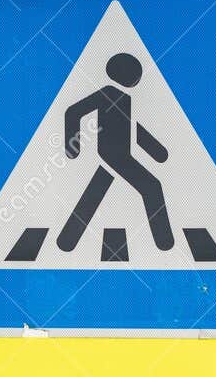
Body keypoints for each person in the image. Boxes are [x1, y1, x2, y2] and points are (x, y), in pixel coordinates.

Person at [59, 52, 173, 252]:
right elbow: (73, 112)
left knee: (96, 191)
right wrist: (72, 148)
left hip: (118, 155)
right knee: (152, 187)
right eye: (136, 73)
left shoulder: (123, 98)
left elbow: (132, 128)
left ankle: (67, 241)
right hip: (112, 155)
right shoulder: (107, 93)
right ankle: (164, 242)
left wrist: (157, 152)